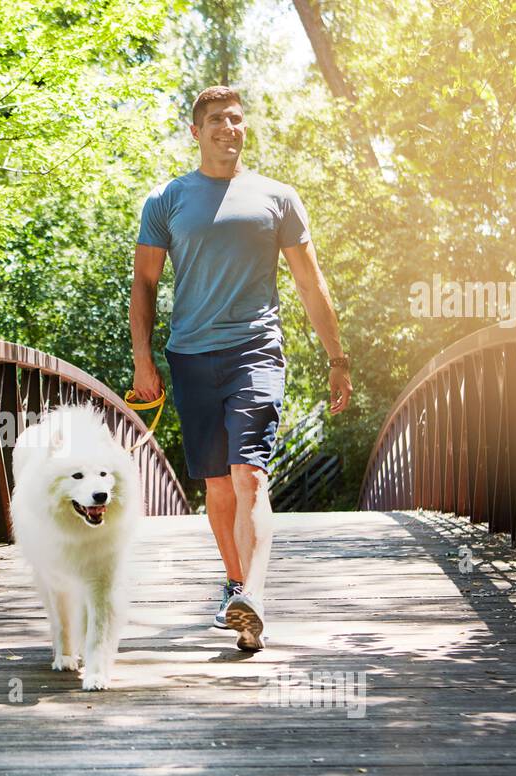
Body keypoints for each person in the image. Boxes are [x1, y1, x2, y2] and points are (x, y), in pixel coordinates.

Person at [129, 85, 352, 650]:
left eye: (236, 119)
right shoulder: (167, 200)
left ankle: (252, 592)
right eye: (216, 120)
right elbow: (146, 284)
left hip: (256, 350)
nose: (229, 128)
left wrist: (337, 356)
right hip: (190, 357)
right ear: (196, 131)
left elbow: (309, 281)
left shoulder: (278, 198)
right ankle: (235, 589)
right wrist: (142, 359)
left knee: (248, 473)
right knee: (215, 485)